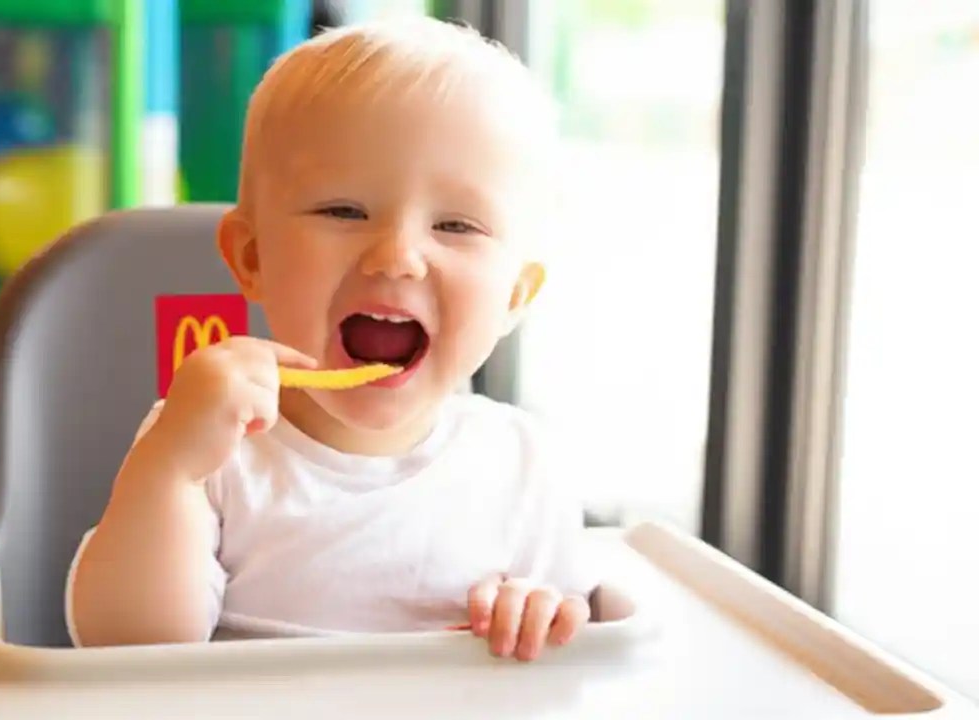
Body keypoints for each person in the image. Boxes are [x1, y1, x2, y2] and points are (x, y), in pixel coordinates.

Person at [68, 15, 599, 663]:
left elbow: (581, 652)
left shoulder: (521, 465)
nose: (397, 256)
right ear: (253, 258)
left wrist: (542, 613)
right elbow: (126, 646)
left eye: (456, 225)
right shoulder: (211, 444)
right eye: (344, 211)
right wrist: (172, 471)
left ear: (515, 295)